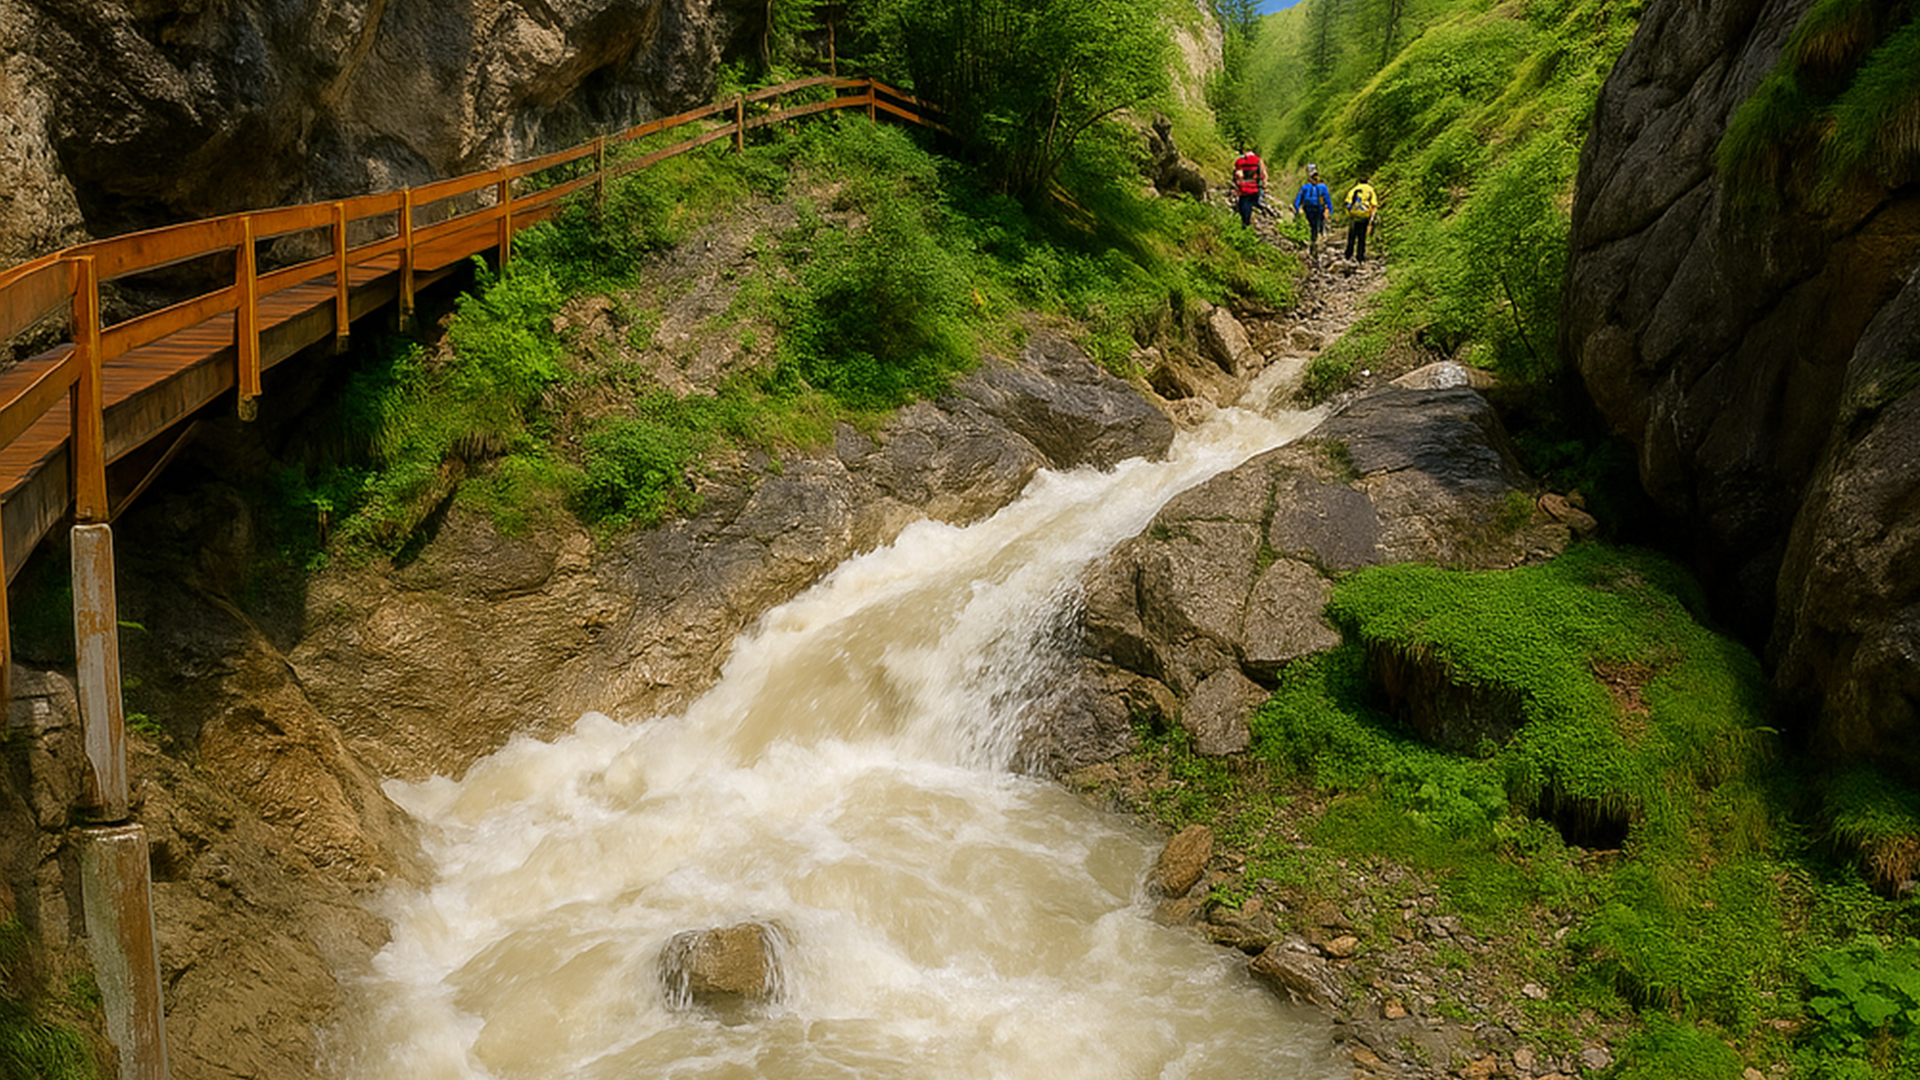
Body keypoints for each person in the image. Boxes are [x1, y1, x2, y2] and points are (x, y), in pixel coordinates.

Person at [1292, 163, 1332, 251]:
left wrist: (1328, 211)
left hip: (1315, 208)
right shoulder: (1309, 187)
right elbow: (1299, 198)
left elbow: (1327, 200)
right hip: (1312, 208)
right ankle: (1314, 240)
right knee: (1314, 225)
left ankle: (1315, 240)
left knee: (1315, 225)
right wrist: (1297, 208)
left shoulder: (1313, 187)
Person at [1343, 176, 1378, 262]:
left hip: (1354, 214)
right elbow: (1374, 204)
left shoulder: (1354, 189)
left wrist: (1349, 213)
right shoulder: (1370, 190)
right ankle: (1360, 256)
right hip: (1364, 214)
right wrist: (1372, 217)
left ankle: (1348, 254)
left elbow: (1347, 202)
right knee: (1362, 236)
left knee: (1352, 235)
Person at [1232, 148, 1267, 228]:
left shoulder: (1240, 161)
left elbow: (1238, 174)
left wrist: (1237, 184)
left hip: (1244, 188)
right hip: (1255, 188)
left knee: (1243, 205)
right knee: (1250, 205)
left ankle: (1245, 223)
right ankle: (1248, 223)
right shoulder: (1258, 161)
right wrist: (1263, 185)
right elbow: (1264, 174)